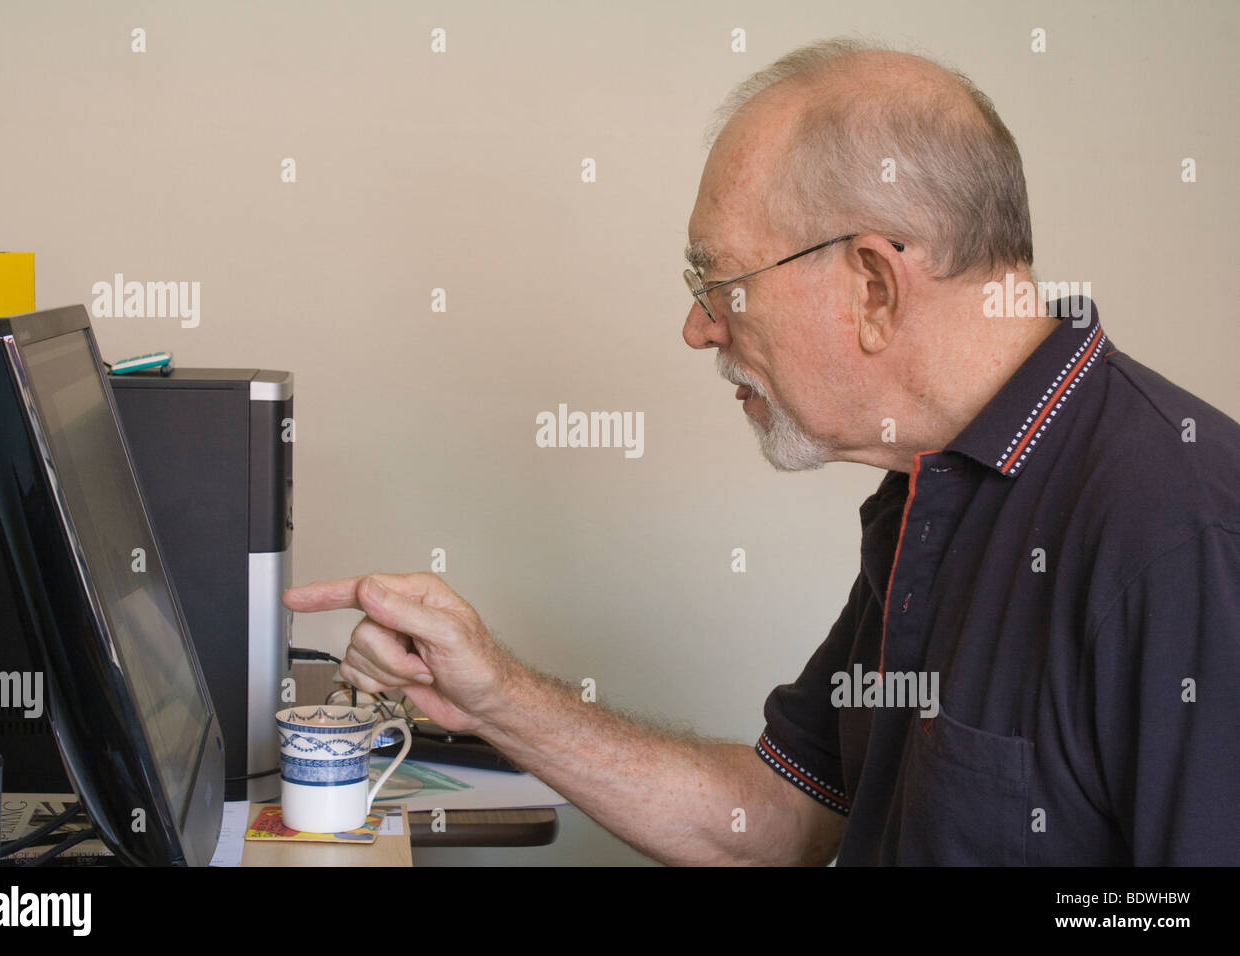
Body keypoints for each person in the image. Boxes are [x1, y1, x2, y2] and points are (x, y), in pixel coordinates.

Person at [283, 39, 1240, 865]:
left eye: (721, 282)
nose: (698, 329)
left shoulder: (1180, 528)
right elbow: (778, 820)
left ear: (872, 287)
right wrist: (495, 700)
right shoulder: (931, 486)